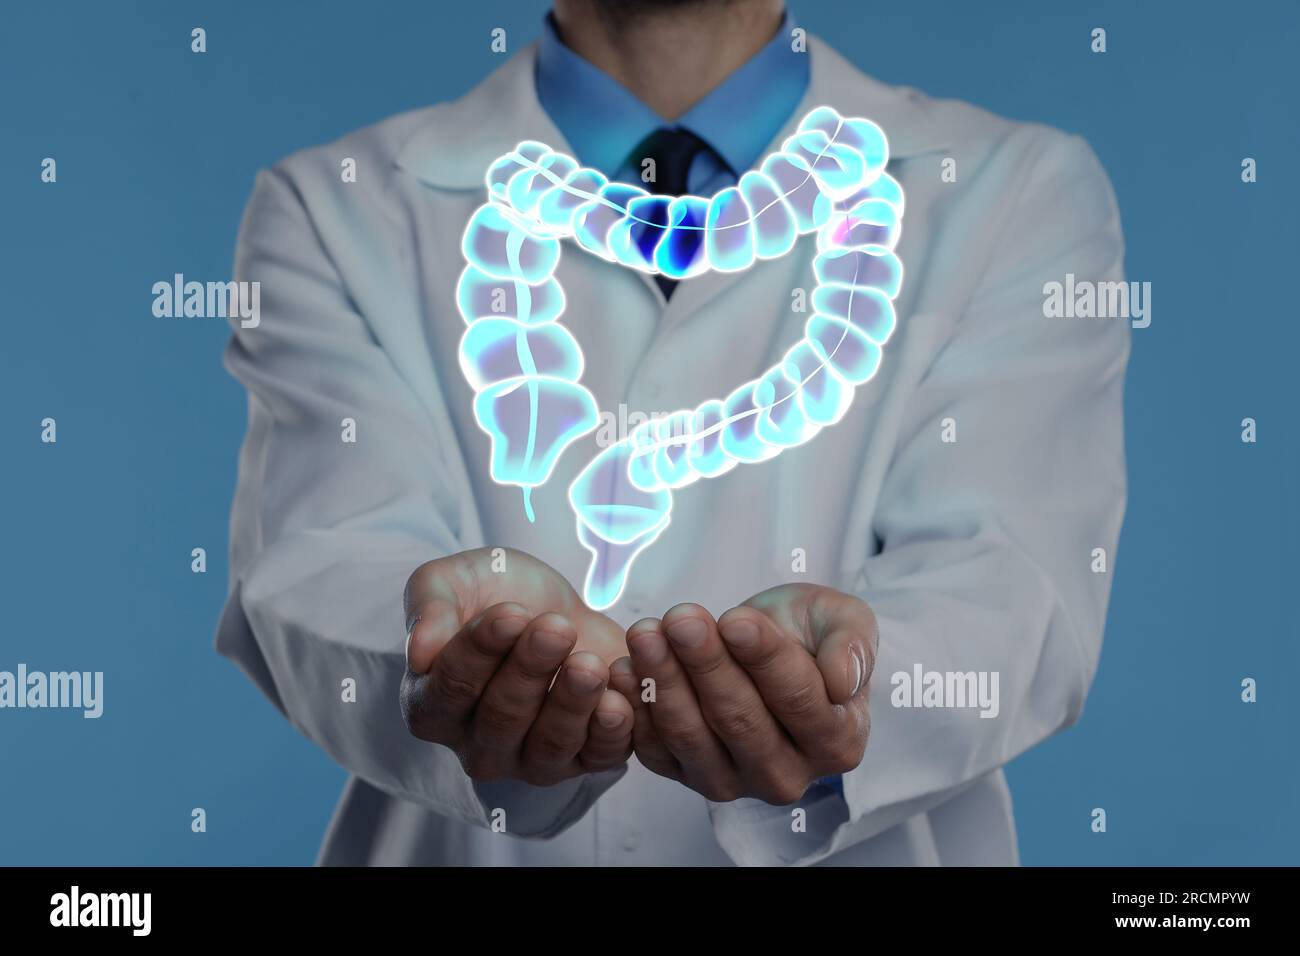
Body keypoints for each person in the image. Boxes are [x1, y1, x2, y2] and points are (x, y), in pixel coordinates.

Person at [216, 0, 1128, 865]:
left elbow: (1009, 581)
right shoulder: (329, 209)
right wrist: (450, 648)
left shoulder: (1015, 191)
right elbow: (320, 564)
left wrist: (849, 691)